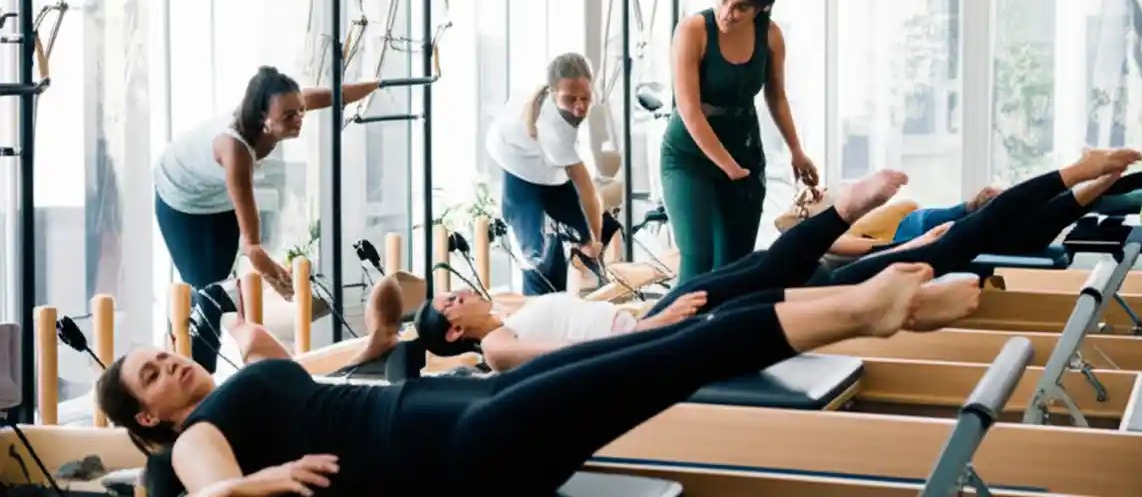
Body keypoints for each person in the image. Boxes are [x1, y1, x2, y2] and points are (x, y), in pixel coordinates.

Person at [97, 263, 937, 496]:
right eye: (151, 372)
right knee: (665, 359)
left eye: (161, 350)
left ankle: (863, 306)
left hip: (464, 416)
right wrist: (253, 484)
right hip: (459, 442)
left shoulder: (247, 383)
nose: (169, 359)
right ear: (149, 420)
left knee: (651, 357)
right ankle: (864, 310)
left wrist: (384, 323)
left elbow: (320, 348)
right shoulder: (198, 442)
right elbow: (207, 488)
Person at [417, 170, 982, 372]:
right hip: (648, 337)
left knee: (765, 273)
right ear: (452, 330)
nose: (459, 294)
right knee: (763, 284)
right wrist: (647, 331)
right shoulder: (495, 350)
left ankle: (876, 248)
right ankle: (847, 217)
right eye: (449, 302)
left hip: (647, 323)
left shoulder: (512, 315)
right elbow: (565, 358)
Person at [153, 66, 381, 372]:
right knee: (207, 288)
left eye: (300, 110)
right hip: (181, 198)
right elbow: (253, 248)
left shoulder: (280, 111)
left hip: (216, 193)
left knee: (214, 285)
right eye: (290, 115)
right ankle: (197, 373)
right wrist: (287, 286)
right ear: (263, 117)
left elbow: (332, 95)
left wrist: (378, 83)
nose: (299, 117)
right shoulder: (235, 149)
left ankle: (187, 343)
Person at [661, 0, 819, 283]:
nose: (727, 13)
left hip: (744, 152)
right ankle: (675, 331)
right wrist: (729, 167)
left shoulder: (771, 35)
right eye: (723, 0)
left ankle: (723, 333)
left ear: (761, 8)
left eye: (741, 7)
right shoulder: (692, 30)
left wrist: (796, 150)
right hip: (689, 156)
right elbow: (688, 110)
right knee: (698, 260)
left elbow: (776, 96)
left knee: (734, 265)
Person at [824, 155, 1142, 259]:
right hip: (936, 245)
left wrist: (973, 202)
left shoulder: (892, 210)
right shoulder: (843, 241)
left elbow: (948, 211)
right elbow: (808, 235)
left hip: (964, 223)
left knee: (1042, 211)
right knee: (1039, 220)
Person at [486, 52, 608, 295]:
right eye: (571, 99)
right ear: (553, 93)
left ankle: (582, 292)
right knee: (538, 260)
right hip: (517, 166)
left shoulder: (554, 106)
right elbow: (587, 191)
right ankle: (544, 310)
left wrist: (590, 242)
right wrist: (597, 242)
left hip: (540, 161)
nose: (580, 107)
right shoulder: (554, 125)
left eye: (585, 98)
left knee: (580, 235)